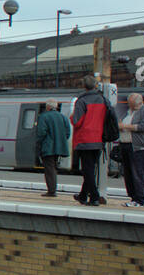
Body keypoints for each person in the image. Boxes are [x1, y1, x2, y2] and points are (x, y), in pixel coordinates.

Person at [70, 75, 107, 206]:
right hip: (98, 139)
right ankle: (83, 195)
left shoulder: (82, 101)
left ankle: (95, 197)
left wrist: (71, 116)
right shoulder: (102, 99)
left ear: (84, 86)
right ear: (95, 86)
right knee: (90, 169)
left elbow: (77, 121)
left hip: (84, 140)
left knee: (87, 170)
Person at [118, 93, 144, 207]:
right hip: (126, 146)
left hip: (139, 148)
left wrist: (125, 127)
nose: (129, 105)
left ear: (138, 102)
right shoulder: (128, 112)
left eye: (131, 103)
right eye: (129, 103)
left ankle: (139, 199)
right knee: (128, 174)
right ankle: (133, 198)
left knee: (138, 173)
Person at [35, 100, 71, 197]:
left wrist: (38, 144)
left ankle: (51, 191)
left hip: (47, 147)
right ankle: (52, 189)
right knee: (53, 167)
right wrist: (61, 141)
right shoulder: (63, 117)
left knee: (49, 169)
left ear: (47, 107)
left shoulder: (43, 116)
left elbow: (41, 133)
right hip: (59, 147)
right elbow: (67, 133)